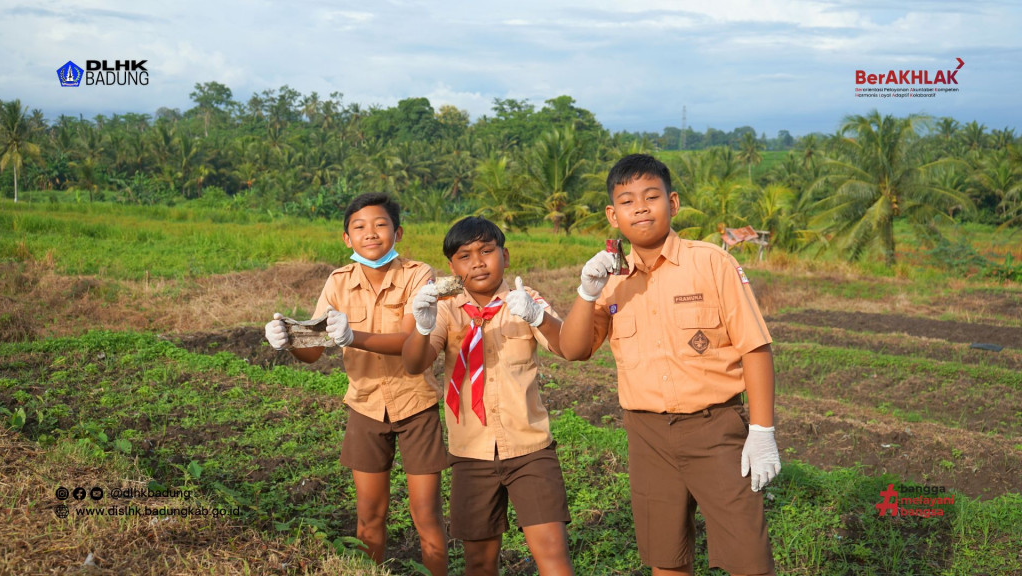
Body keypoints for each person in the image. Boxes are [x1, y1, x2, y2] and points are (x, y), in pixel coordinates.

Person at [559, 154, 781, 576]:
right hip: (647, 437)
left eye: (651, 196)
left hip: (715, 429)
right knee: (666, 560)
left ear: (673, 203)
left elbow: (755, 346)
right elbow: (574, 350)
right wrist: (587, 293)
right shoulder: (611, 280)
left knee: (749, 560)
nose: (640, 208)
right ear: (612, 215)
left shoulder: (711, 262)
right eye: (627, 201)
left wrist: (763, 431)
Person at [264, 192, 448, 575]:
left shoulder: (419, 275)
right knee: (369, 517)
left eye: (380, 225)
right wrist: (289, 340)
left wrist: (353, 337)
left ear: (397, 232)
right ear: (346, 238)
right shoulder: (338, 282)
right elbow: (314, 347)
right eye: (359, 227)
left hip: (417, 407)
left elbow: (412, 340)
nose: (371, 234)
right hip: (364, 406)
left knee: (426, 516)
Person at [402, 217, 574, 576]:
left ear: (505, 256)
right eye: (464, 256)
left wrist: (537, 316)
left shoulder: (526, 301)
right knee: (479, 562)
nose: (477, 262)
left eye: (486, 251)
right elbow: (416, 362)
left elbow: (566, 347)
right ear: (451, 268)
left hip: (530, 450)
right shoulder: (445, 310)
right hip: (470, 454)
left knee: (553, 555)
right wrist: (421, 325)